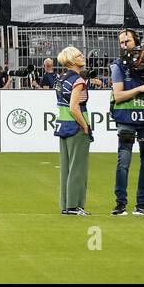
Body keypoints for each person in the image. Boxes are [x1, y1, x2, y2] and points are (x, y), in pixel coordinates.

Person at [110, 29, 144, 215]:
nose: (124, 45)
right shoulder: (117, 66)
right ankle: (120, 204)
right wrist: (141, 88)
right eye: (121, 42)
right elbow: (118, 95)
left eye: (127, 41)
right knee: (124, 162)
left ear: (136, 42)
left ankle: (142, 204)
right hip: (126, 120)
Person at [55, 46, 92, 215]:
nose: (82, 56)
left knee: (66, 168)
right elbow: (74, 107)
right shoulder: (78, 80)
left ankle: (66, 204)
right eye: (79, 55)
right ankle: (74, 205)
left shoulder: (61, 78)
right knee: (78, 168)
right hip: (76, 127)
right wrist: (85, 126)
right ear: (71, 60)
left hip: (63, 126)